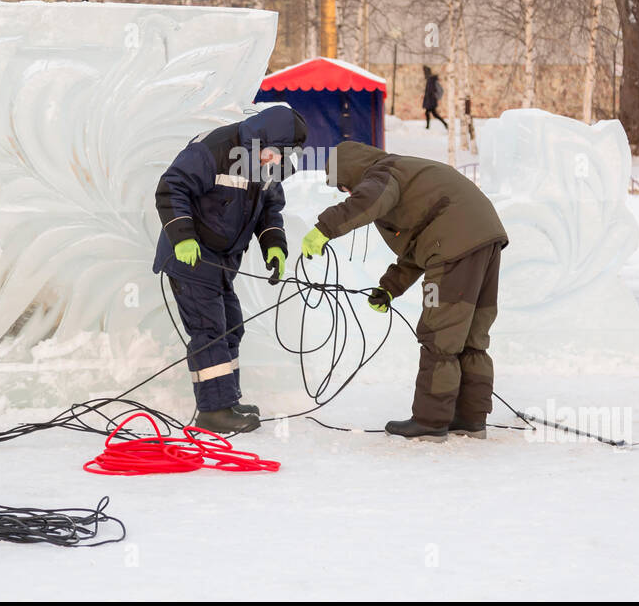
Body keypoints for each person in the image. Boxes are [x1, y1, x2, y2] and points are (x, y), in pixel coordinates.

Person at [301, 141, 508, 441]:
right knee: (472, 338)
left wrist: (324, 228)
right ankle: (470, 419)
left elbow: (365, 203)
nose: (347, 193)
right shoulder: (406, 174)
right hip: (484, 240)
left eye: (345, 185)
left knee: (440, 335)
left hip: (454, 246)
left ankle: (430, 421)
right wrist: (389, 288)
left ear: (352, 171)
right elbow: (416, 249)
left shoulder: (382, 174)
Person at [153, 104, 308, 434]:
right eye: (277, 154)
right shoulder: (212, 149)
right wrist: (181, 235)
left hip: (221, 263)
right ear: (262, 139)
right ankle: (213, 411)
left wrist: (275, 246)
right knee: (210, 331)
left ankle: (227, 401)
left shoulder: (265, 163)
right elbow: (171, 187)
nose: (277, 163)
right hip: (190, 258)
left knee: (231, 328)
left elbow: (269, 209)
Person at [422, 65, 446, 130]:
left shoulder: (433, 81)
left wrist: (436, 97)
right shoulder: (429, 80)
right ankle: (428, 126)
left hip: (432, 101)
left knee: (433, 114)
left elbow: (441, 90)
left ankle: (428, 126)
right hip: (429, 101)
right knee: (430, 113)